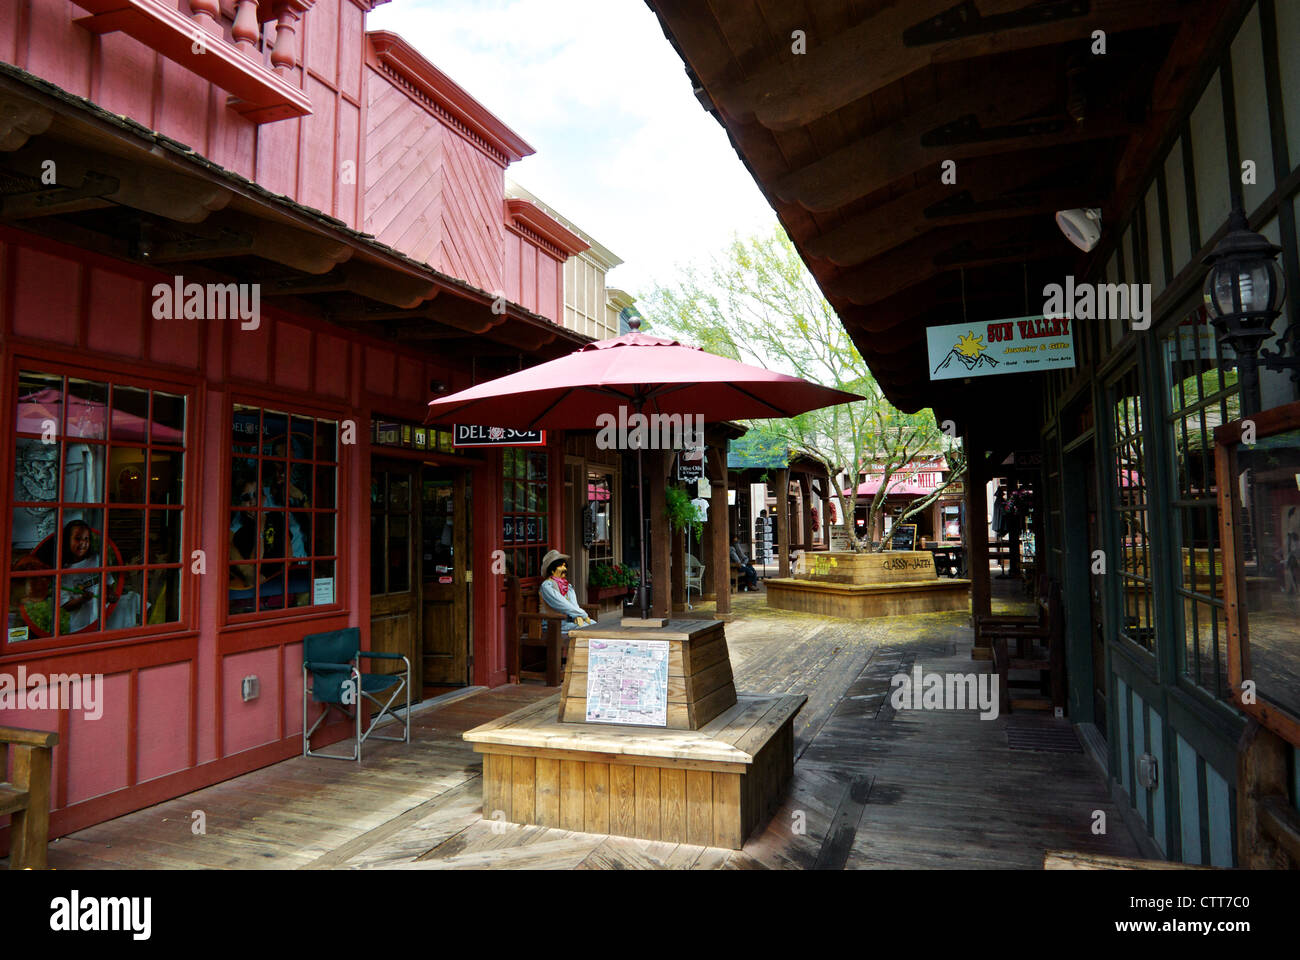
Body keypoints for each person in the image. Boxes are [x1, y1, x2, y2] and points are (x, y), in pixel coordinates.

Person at [538, 549, 593, 633]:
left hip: (568, 622)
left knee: (595, 625)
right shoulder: (547, 586)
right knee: (589, 629)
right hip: (553, 623)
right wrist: (582, 614)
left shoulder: (567, 586)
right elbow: (561, 603)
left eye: (564, 566)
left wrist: (577, 617)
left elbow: (573, 604)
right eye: (560, 566)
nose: (564, 569)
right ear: (551, 569)